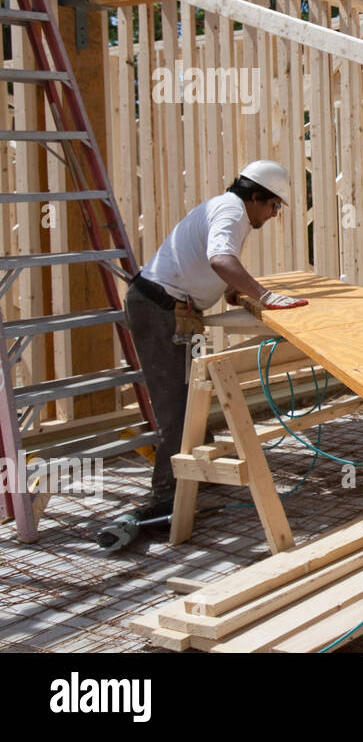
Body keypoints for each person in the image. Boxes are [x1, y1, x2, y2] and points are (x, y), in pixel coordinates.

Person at [124, 159, 307, 519]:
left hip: (170, 308)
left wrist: (230, 290)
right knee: (176, 407)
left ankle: (196, 479)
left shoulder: (228, 209)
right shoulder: (233, 211)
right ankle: (165, 501)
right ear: (256, 196)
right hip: (159, 309)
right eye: (274, 206)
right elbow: (220, 258)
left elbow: (210, 261)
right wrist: (264, 295)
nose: (273, 215)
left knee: (192, 397)